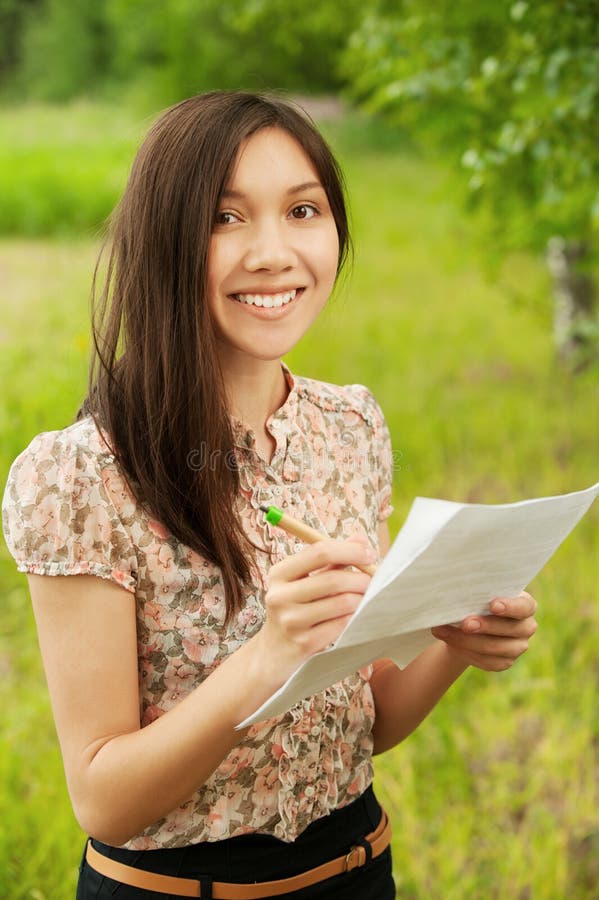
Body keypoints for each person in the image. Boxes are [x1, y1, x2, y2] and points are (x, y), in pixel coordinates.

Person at [2, 92, 537, 899]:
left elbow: (366, 719)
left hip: (359, 869)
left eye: (302, 209)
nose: (272, 252)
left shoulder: (349, 425)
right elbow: (103, 800)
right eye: (225, 218)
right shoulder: (80, 476)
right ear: (164, 242)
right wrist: (265, 658)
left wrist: (456, 641)